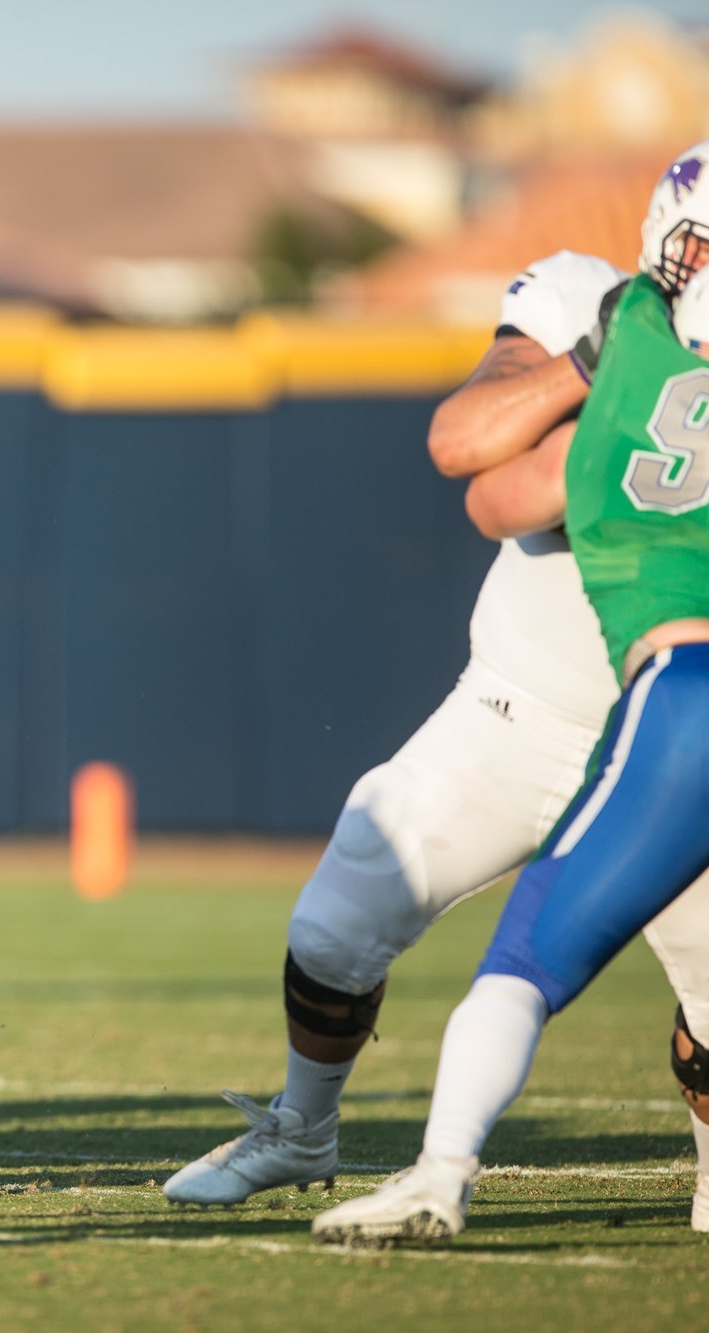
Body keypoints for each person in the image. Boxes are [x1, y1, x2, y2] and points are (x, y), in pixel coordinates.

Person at [164, 143, 709, 1222]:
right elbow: (464, 449)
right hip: (523, 710)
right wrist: (597, 364)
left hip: (669, 733)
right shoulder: (583, 303)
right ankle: (300, 1129)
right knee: (333, 923)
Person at [312, 198, 709, 1245]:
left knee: (526, 960)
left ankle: (440, 1172)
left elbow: (493, 497)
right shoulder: (607, 346)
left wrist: (599, 388)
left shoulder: (614, 408)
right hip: (559, 712)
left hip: (678, 703)